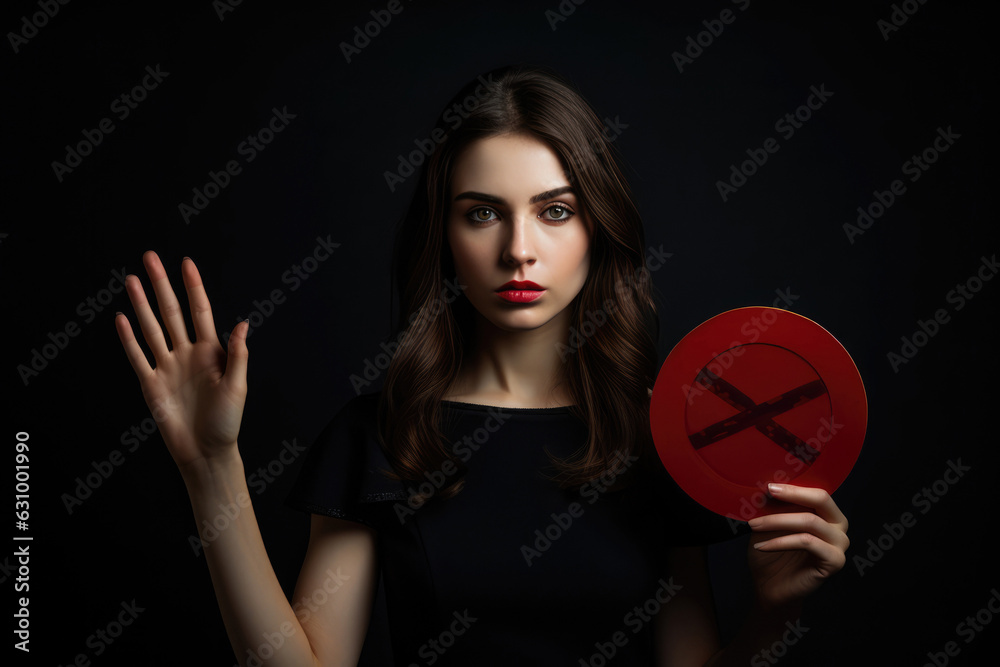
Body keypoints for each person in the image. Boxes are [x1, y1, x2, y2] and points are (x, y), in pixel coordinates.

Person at [114, 63, 849, 666]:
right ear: (445, 235)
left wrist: (774, 616)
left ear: (599, 227)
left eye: (555, 210)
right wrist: (212, 469)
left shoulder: (662, 435)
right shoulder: (380, 435)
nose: (518, 249)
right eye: (482, 212)